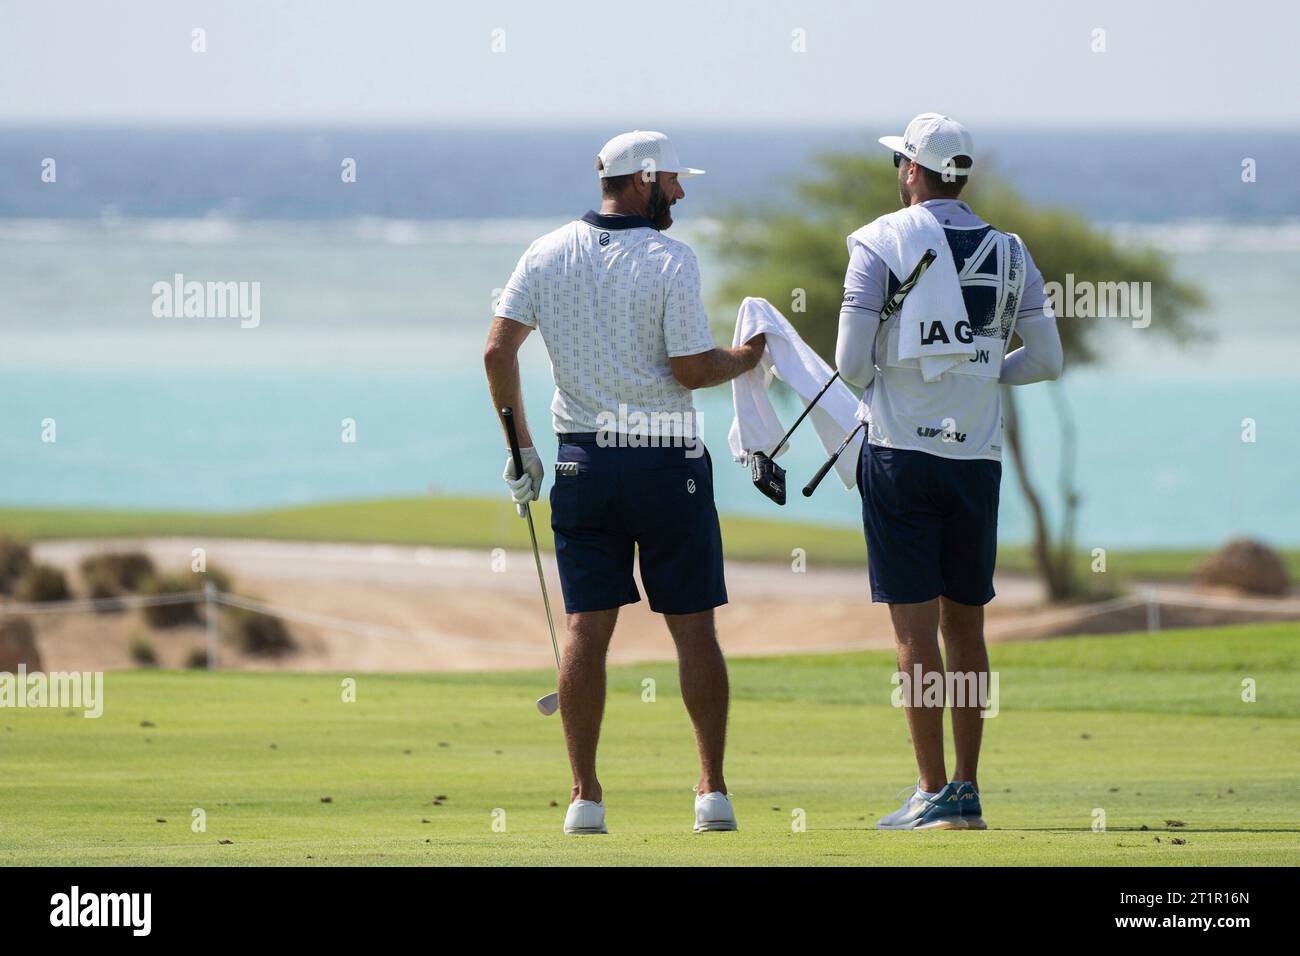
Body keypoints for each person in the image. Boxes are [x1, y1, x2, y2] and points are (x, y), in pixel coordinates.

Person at [483, 130, 765, 835]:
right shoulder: (671, 257)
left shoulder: (544, 252)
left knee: (587, 629)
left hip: (581, 464)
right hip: (667, 463)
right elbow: (692, 370)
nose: (681, 192)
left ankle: (584, 800)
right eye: (672, 180)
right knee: (693, 629)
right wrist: (747, 358)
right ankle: (712, 795)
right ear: (641, 180)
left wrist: (520, 450)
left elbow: (496, 350)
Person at [834, 113, 1063, 830]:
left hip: (900, 455)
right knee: (967, 629)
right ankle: (965, 789)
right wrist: (982, 372)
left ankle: (931, 794)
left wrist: (902, 378)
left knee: (913, 634)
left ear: (911, 171)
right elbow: (1048, 359)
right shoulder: (1012, 250)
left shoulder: (877, 242)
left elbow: (851, 366)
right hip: (975, 461)